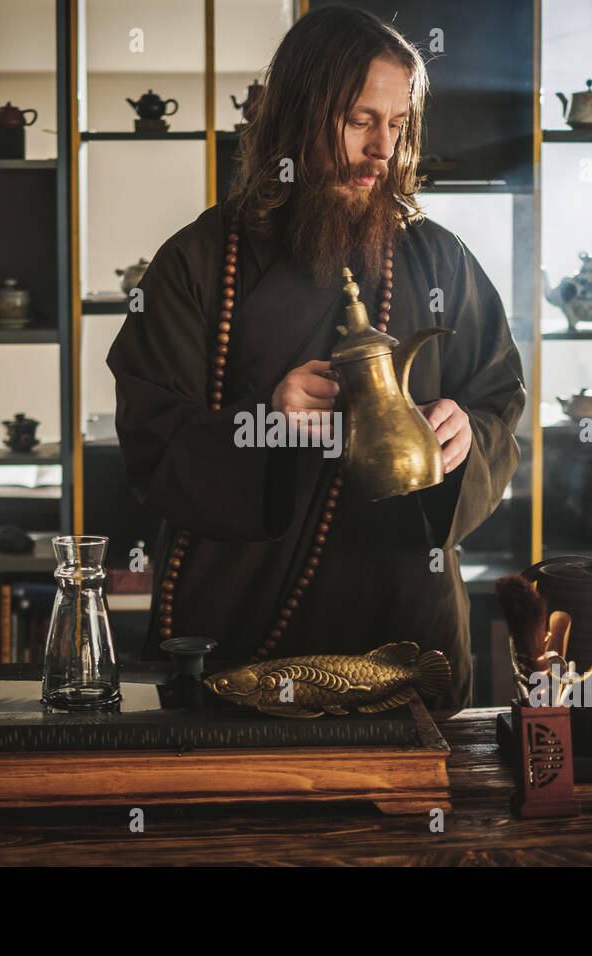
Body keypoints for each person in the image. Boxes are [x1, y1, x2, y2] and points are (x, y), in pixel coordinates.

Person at [106, 5, 526, 711]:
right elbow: (151, 435)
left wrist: (465, 435)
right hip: (240, 625)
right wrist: (264, 424)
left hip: (404, 621)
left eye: (397, 125)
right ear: (298, 114)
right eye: (361, 120)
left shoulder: (439, 258)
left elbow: (496, 403)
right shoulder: (199, 261)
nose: (381, 150)